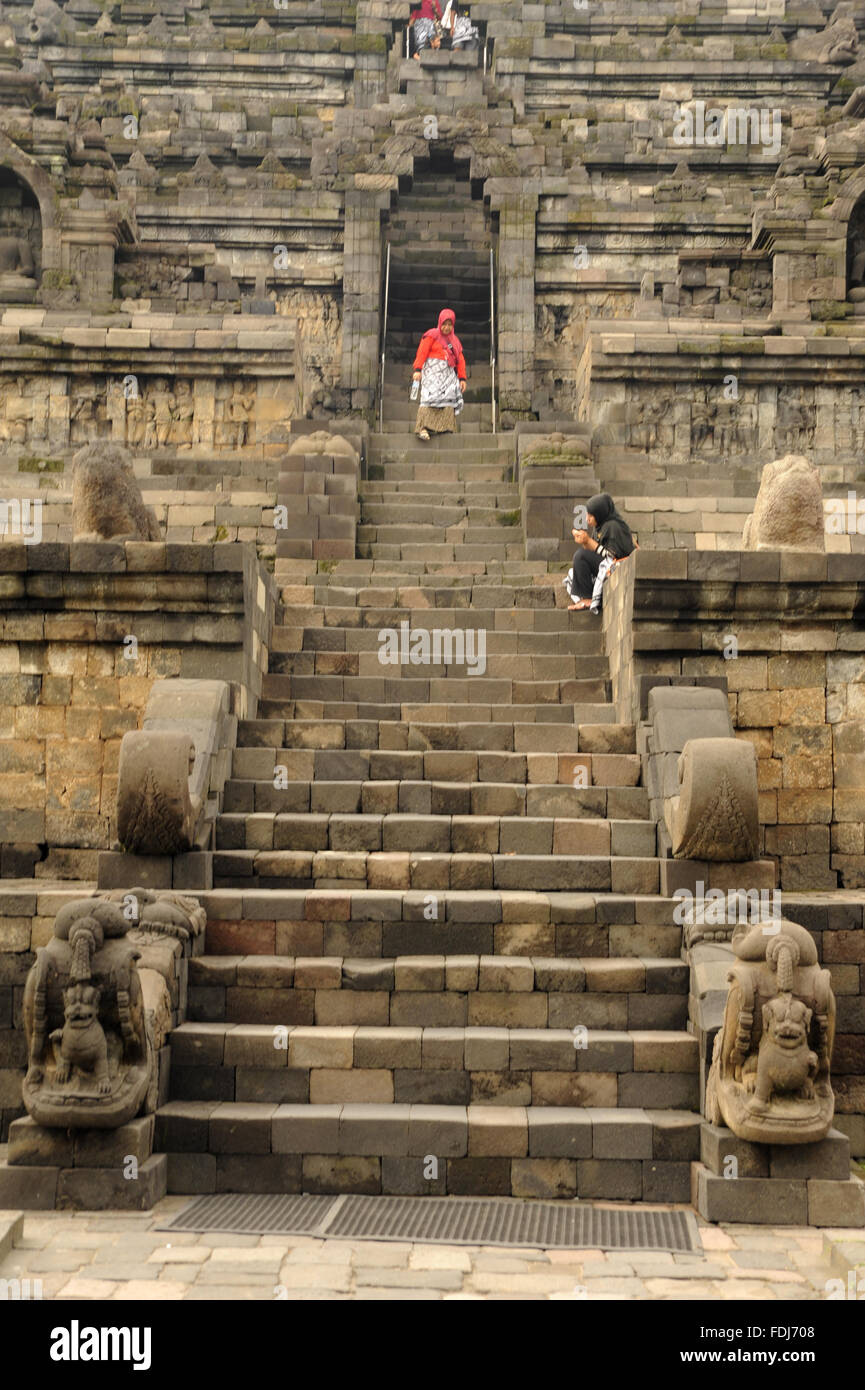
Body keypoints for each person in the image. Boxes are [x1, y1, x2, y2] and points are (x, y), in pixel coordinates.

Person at [564, 492, 636, 613]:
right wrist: (585, 541)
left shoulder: (613, 526)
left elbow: (612, 556)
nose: (587, 519)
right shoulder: (600, 526)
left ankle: (587, 599)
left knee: (580, 556)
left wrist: (588, 541)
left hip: (617, 566)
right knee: (580, 557)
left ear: (600, 514)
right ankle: (585, 597)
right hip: (606, 563)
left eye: (591, 516)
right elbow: (594, 552)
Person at [411, 307, 466, 441]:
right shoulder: (431, 335)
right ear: (439, 322)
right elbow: (422, 352)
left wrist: (462, 377)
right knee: (429, 399)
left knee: (449, 398)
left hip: (447, 375)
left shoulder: (455, 341)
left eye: (450, 324)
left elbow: (460, 360)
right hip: (432, 374)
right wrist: (418, 369)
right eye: (444, 324)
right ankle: (422, 428)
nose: (446, 327)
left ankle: (443, 427)